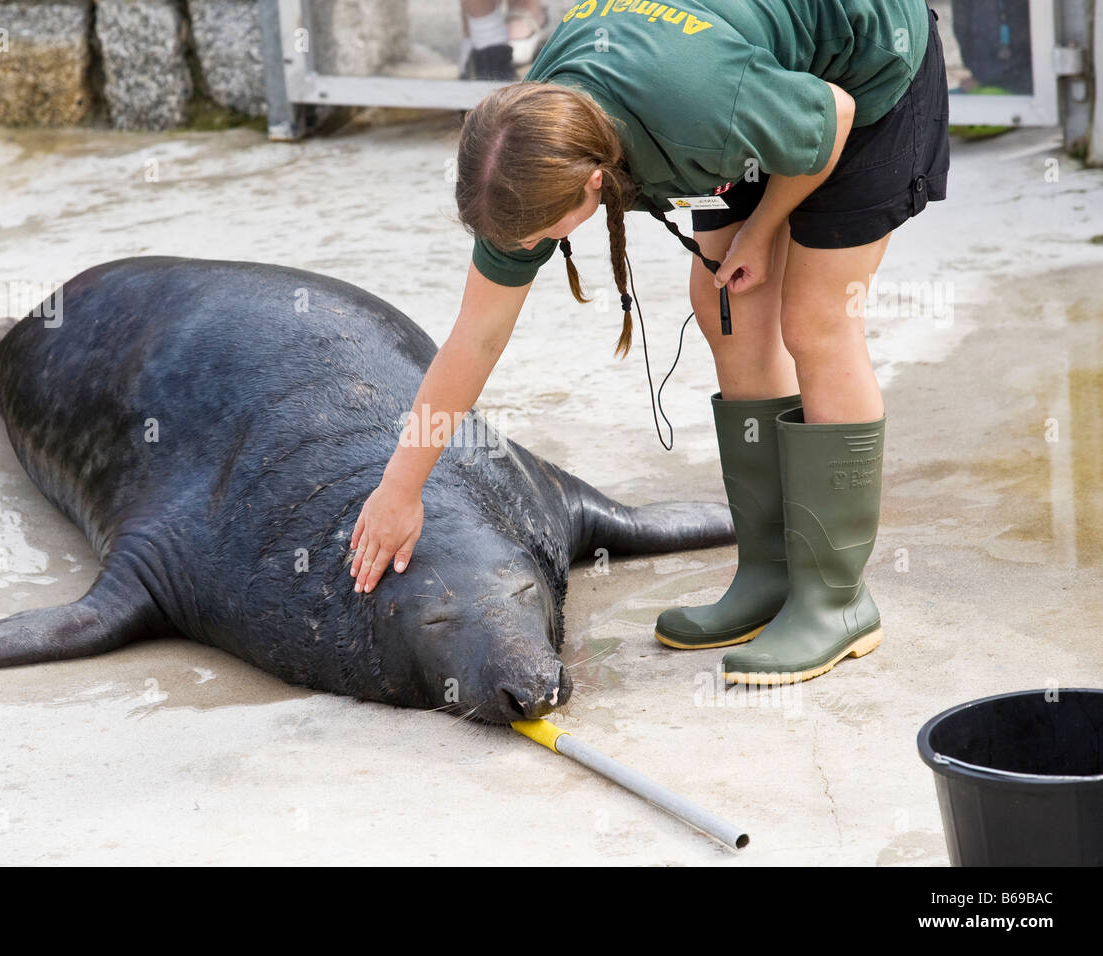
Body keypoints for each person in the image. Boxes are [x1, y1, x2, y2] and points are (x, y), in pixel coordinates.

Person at [349, 0, 950, 686]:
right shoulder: (523, 148)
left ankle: (836, 599)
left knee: (815, 320)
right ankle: (769, 571)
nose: (538, 251)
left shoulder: (697, 107)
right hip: (754, 75)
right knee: (726, 301)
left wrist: (762, 230)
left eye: (548, 236)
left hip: (865, 68)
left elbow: (833, 114)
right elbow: (476, 337)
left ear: (596, 183)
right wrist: (399, 490)